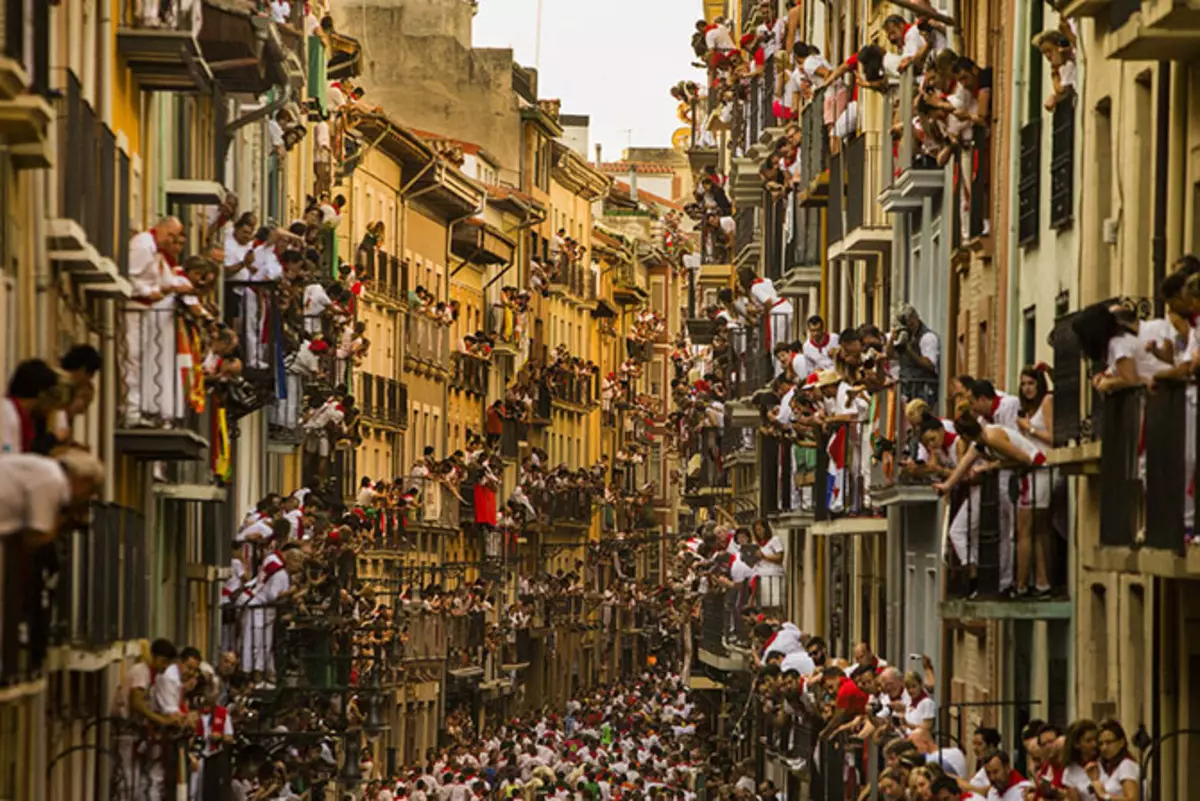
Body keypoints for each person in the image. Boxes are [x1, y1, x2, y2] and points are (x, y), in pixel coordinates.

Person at [124, 217, 187, 426]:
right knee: (132, 358)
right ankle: (131, 411)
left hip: (144, 311)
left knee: (139, 360)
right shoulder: (143, 246)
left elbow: (163, 281)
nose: (172, 241)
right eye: (170, 235)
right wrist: (151, 292)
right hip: (133, 309)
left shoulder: (156, 251)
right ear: (160, 230)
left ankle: (138, 408)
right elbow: (129, 279)